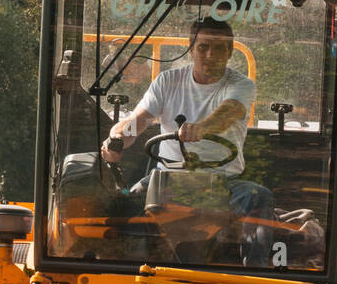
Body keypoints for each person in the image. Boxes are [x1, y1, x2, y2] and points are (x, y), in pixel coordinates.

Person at [99, 16, 273, 217]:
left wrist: (203, 128)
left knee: (259, 197)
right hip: (167, 181)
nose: (210, 54)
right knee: (119, 207)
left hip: (223, 183)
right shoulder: (167, 81)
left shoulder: (241, 85)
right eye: (203, 47)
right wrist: (118, 137)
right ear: (191, 49)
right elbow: (141, 120)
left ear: (230, 52)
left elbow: (230, 111)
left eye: (218, 48)